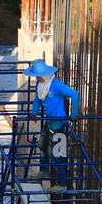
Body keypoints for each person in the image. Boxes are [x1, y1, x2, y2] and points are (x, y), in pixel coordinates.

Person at [25, 58, 80, 187]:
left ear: (45, 75)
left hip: (58, 124)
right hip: (49, 122)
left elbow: (75, 94)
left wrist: (74, 114)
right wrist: (34, 112)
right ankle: (44, 171)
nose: (36, 78)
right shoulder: (40, 86)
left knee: (57, 155)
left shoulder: (56, 85)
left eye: (38, 76)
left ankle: (61, 184)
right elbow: (37, 100)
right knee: (42, 147)